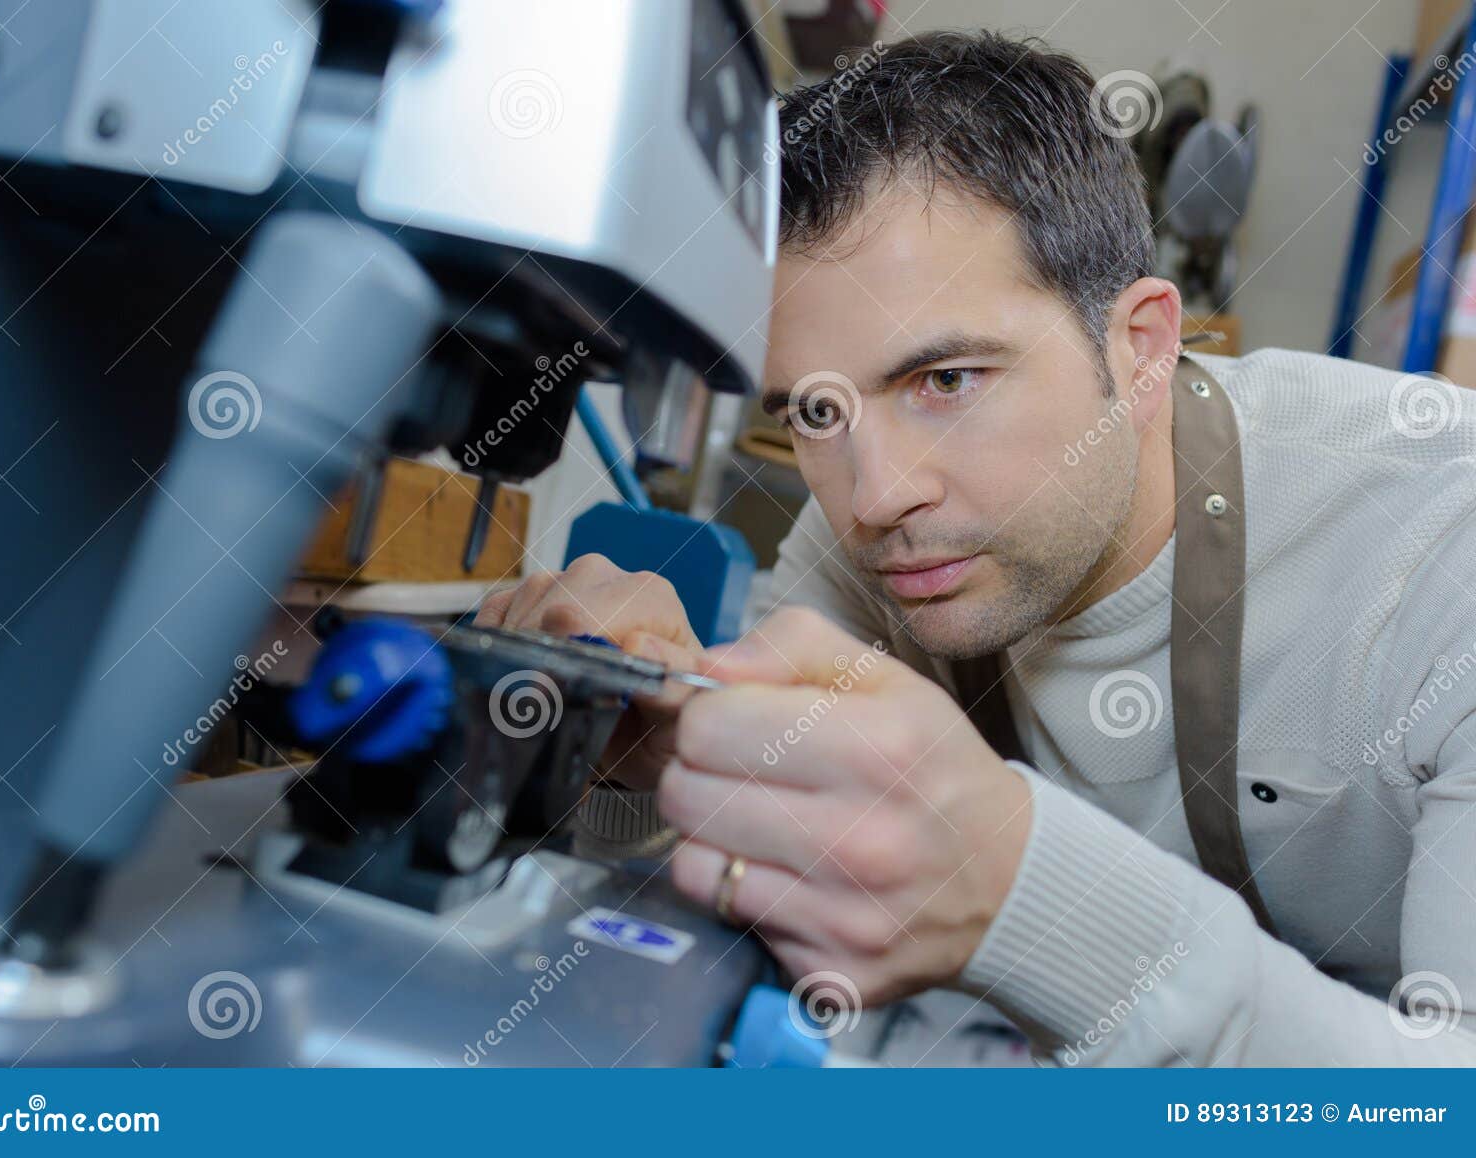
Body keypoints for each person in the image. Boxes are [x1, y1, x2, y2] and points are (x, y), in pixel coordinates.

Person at [476, 31, 1476, 1065]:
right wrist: (637, 767)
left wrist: (1033, 900)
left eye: (946, 381)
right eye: (814, 413)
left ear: (1137, 349)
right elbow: (746, 934)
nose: (874, 496)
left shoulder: (1439, 541)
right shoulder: (861, 545)